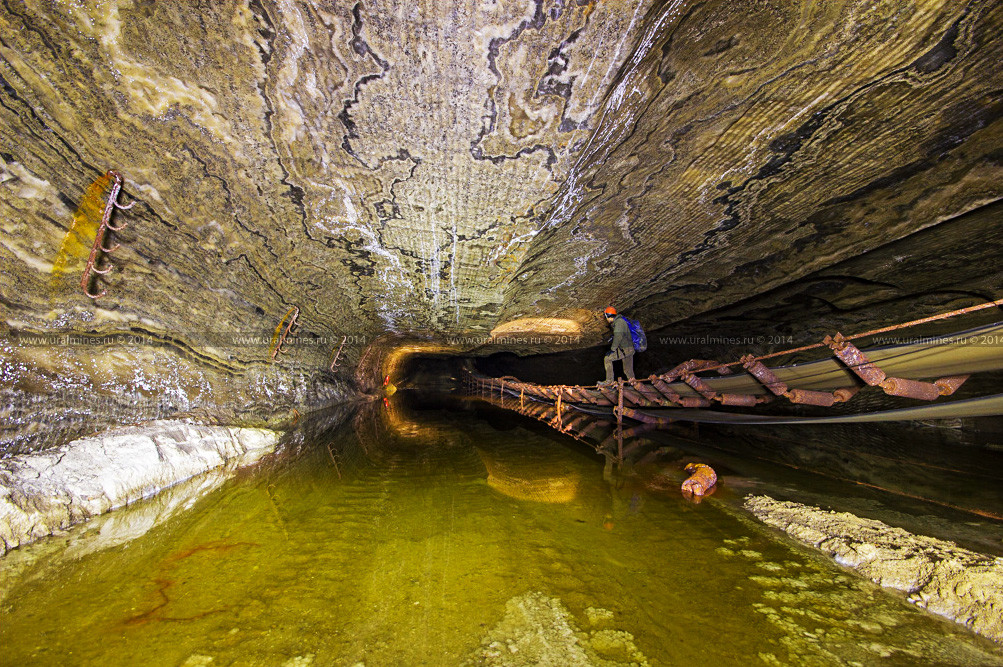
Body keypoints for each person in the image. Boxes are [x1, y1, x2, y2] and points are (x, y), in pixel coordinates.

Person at [599, 306, 635, 386]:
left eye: (606, 317)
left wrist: (612, 349)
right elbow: (621, 334)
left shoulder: (619, 323)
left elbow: (618, 337)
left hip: (625, 349)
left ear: (608, 316)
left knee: (607, 359)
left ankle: (609, 381)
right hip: (629, 348)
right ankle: (634, 383)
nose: (606, 320)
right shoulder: (620, 321)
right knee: (628, 369)